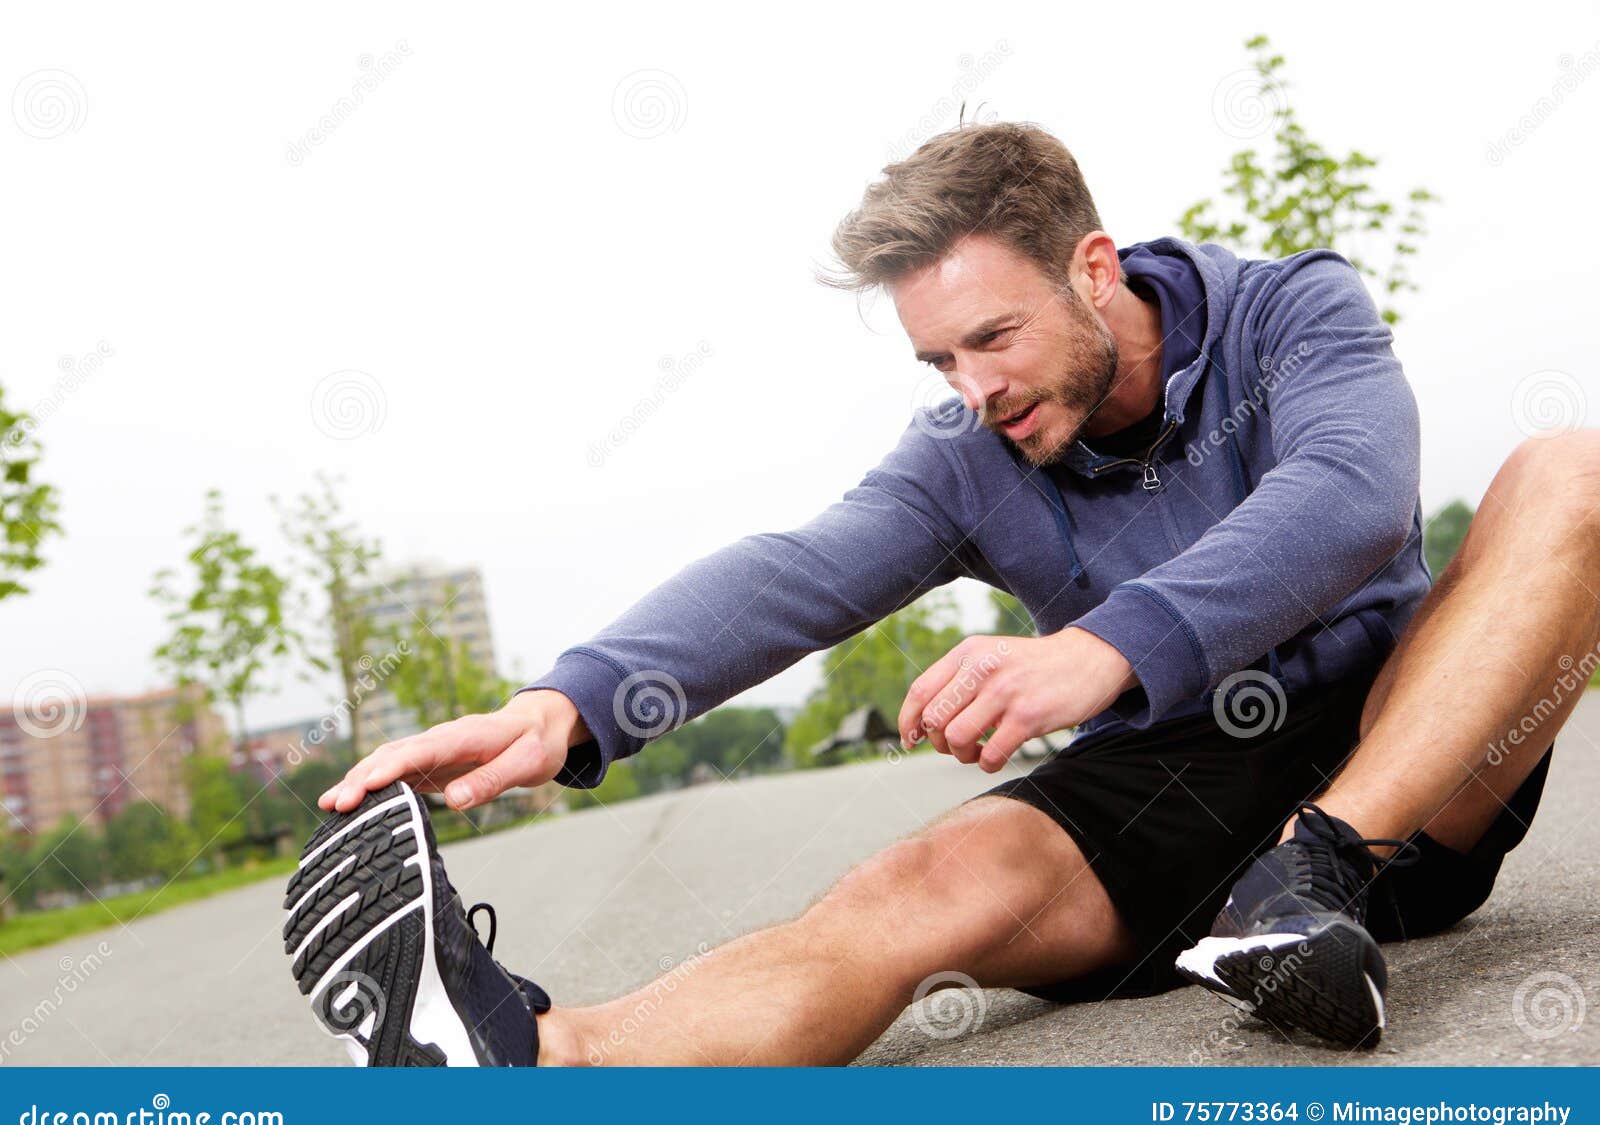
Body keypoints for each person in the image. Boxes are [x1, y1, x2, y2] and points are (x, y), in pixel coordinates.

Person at [287, 121, 1599, 1065]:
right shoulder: (972, 455)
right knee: (915, 884)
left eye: (993, 336)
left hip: (1409, 747)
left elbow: (1352, 494)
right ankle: (525, 1058)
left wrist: (1108, 646)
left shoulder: (1288, 313)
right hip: (1170, 780)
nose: (975, 387)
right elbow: (793, 573)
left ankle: (1306, 875)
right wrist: (562, 707)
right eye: (940, 360)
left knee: (1572, 470)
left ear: (1095, 270)